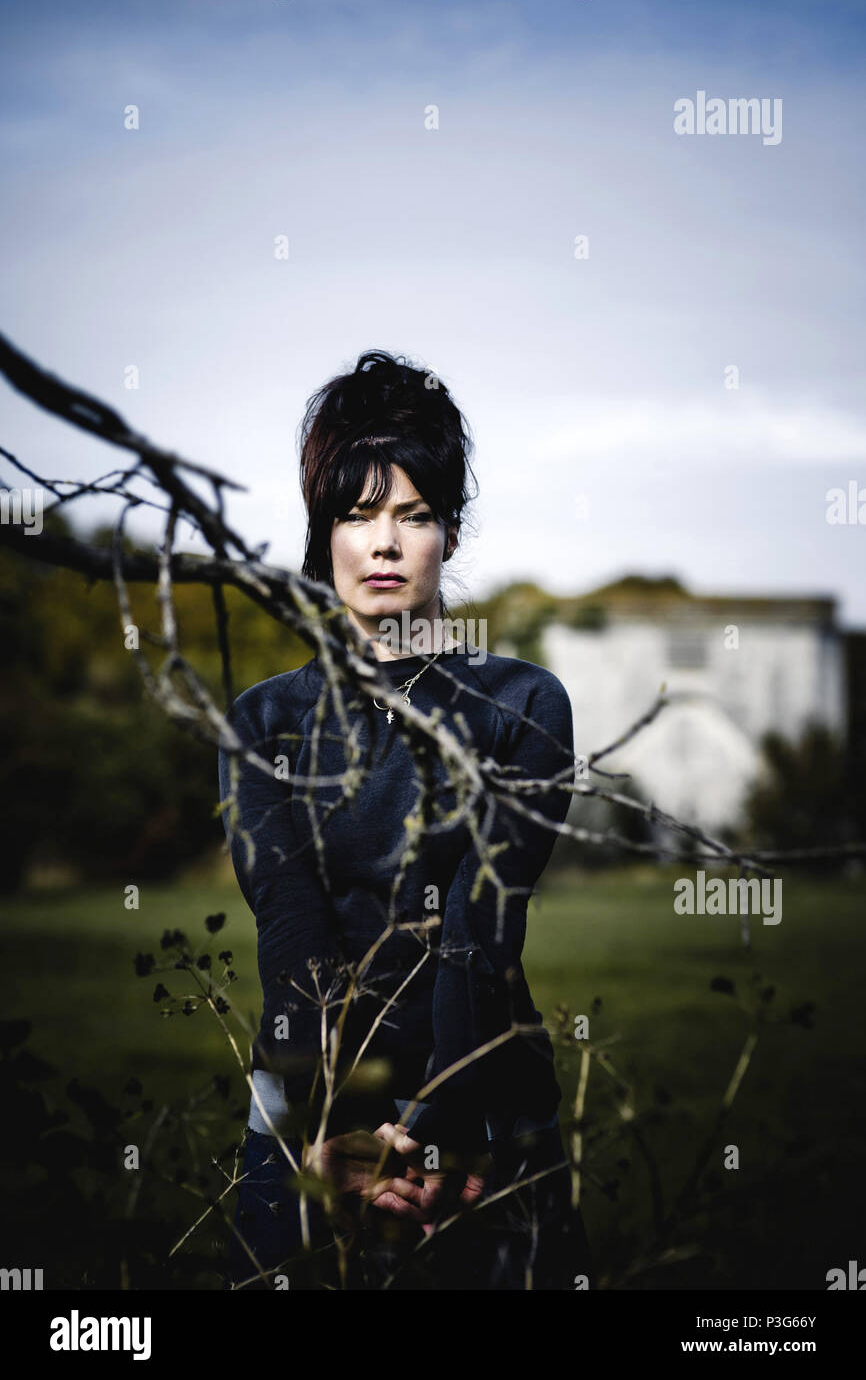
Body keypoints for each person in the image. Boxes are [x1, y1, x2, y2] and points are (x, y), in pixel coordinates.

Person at [217, 350, 594, 1290]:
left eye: (413, 515)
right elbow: (291, 927)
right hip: (309, 1112)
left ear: (449, 534)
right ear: (323, 535)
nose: (384, 544)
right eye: (357, 515)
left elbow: (480, 925)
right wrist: (324, 1125)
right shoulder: (265, 722)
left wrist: (436, 1130)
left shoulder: (524, 705)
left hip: (487, 1104)